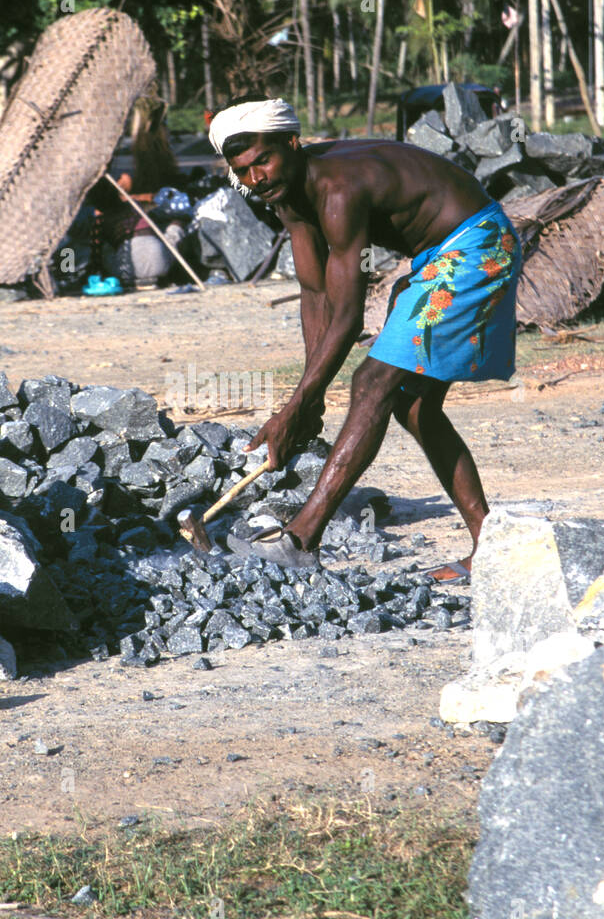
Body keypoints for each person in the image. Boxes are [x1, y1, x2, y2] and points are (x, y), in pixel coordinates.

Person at [207, 94, 522, 577]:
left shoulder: (338, 189)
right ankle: (492, 547)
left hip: (475, 245)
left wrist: (295, 407)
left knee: (372, 383)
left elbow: (349, 315)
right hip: (435, 259)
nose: (256, 178)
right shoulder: (285, 194)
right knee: (413, 406)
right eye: (244, 170)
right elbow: (316, 295)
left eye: (263, 161)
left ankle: (300, 538)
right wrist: (308, 401)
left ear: (292, 143)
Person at [94, 96, 191, 287]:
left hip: (123, 271)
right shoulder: (132, 212)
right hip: (157, 263)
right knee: (174, 231)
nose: (122, 179)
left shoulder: (107, 218)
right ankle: (70, 273)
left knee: (77, 249)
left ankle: (68, 275)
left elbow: (99, 244)